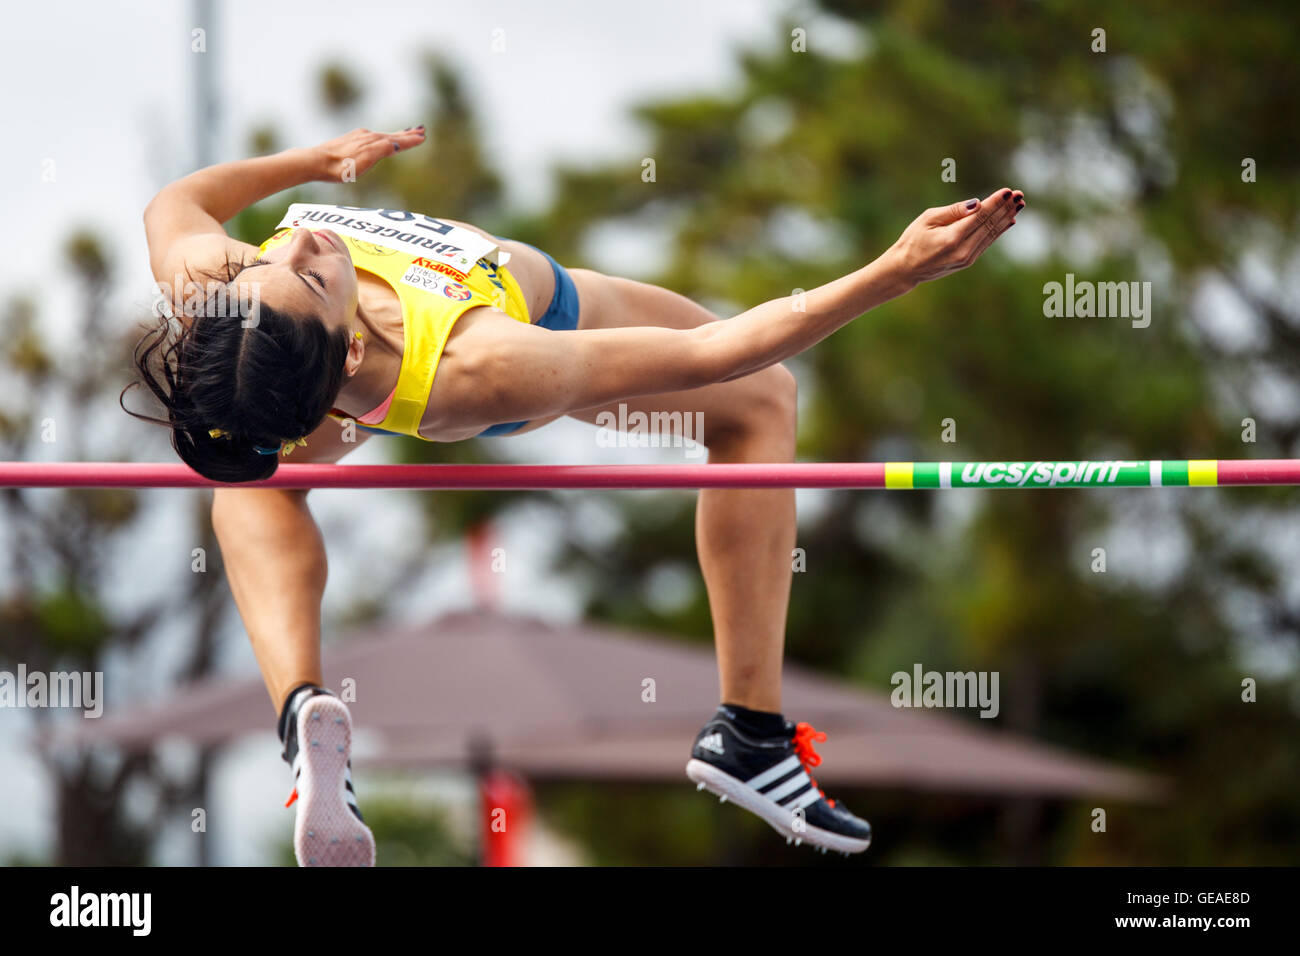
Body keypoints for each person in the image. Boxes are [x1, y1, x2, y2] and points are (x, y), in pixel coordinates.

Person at [127, 126, 1024, 865]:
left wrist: (313, 163)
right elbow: (717, 354)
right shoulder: (491, 363)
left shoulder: (222, 290)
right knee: (762, 403)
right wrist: (895, 270)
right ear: (349, 346)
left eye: (273, 257)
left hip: (315, 398)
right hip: (532, 327)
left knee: (249, 475)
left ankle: (300, 709)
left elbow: (174, 204)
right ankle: (750, 732)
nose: (300, 242)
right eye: (310, 275)